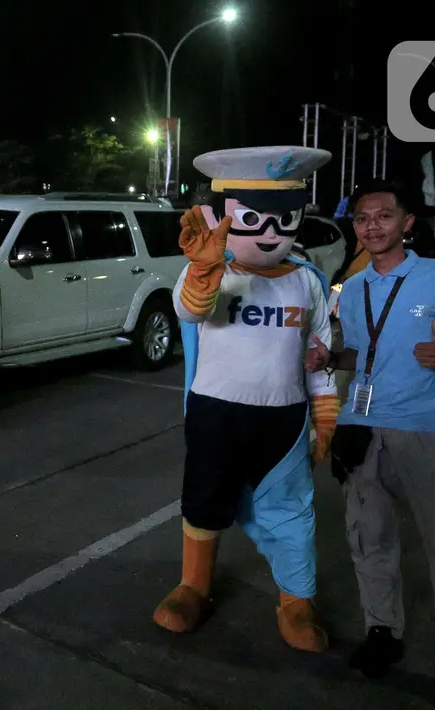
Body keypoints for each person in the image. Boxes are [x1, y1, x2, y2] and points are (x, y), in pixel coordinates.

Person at [307, 178, 435, 709]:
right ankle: (382, 632)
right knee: (370, 541)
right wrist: (328, 359)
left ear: (406, 222)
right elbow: (361, 356)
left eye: (383, 216)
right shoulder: (356, 286)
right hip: (364, 429)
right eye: (363, 218)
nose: (372, 226)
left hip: (428, 430)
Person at [156, 146, 339, 653]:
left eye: (284, 218)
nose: (270, 231)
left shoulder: (308, 281)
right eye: (254, 217)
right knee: (205, 500)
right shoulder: (209, 273)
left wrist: (325, 410)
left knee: (292, 507)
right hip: (217, 412)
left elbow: (319, 350)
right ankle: (194, 586)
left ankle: (296, 599)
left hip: (284, 419)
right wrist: (203, 270)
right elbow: (191, 312)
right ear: (220, 216)